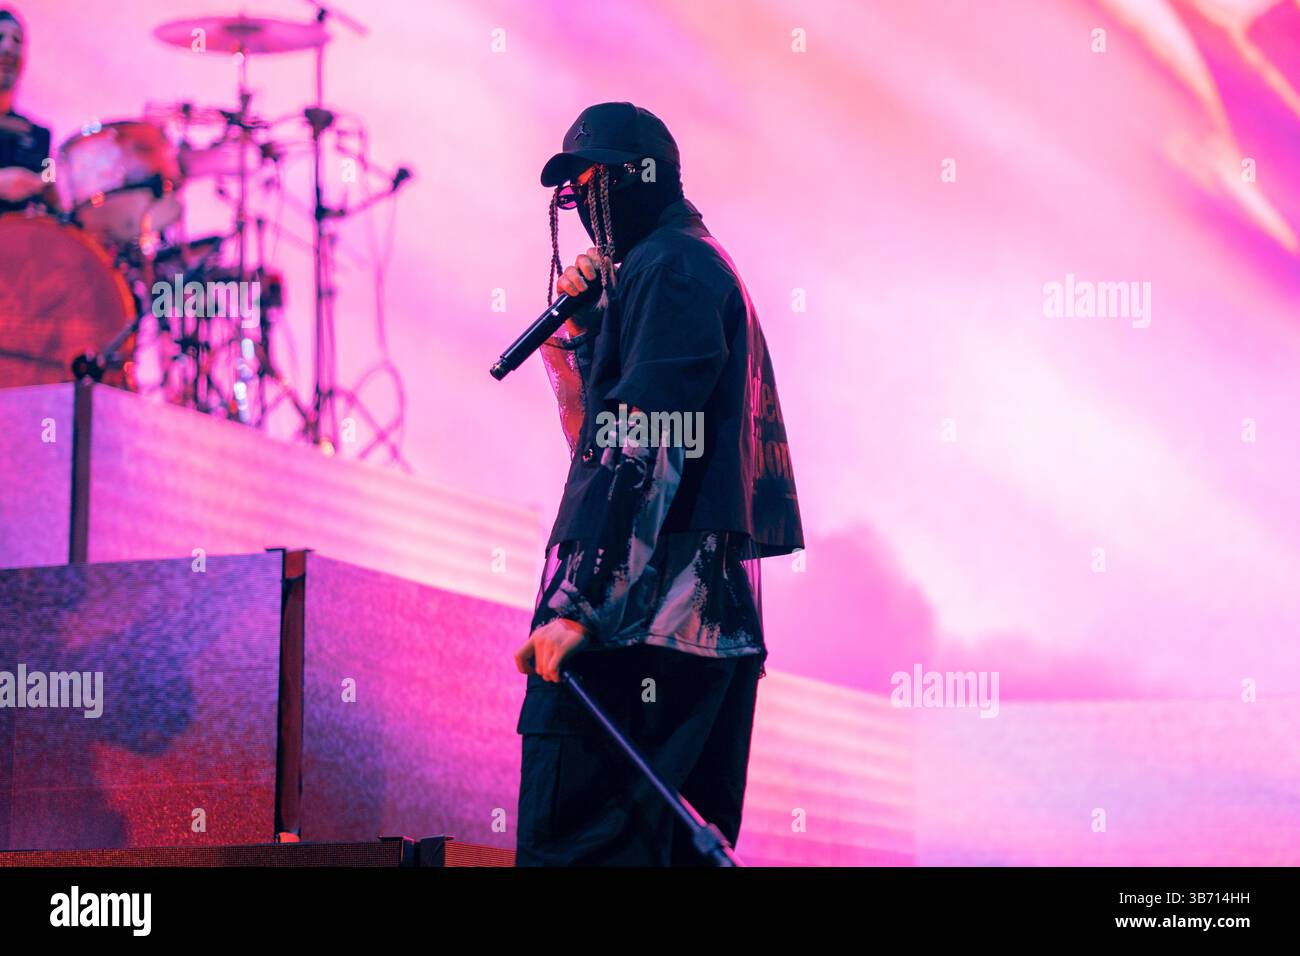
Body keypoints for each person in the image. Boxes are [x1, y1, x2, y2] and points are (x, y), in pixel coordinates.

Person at [513, 102, 803, 866]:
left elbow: (647, 443)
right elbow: (597, 441)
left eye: (589, 182)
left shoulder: (673, 267)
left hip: (638, 631)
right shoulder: (677, 269)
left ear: (637, 178)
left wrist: (582, 602)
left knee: (573, 851)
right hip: (687, 634)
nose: (578, 203)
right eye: (568, 191)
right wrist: (584, 333)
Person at [0, 8, 57, 212]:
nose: (8, 47)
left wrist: (51, 183)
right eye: (0, 37)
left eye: (17, 41)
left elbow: (49, 177)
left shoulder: (38, 134)